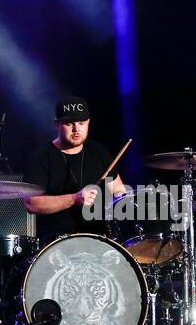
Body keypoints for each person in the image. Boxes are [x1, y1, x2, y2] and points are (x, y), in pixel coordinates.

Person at [22, 96, 127, 243]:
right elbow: (31, 203)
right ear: (57, 124)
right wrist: (74, 198)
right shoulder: (42, 157)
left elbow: (119, 191)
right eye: (69, 124)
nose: (76, 129)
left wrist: (120, 203)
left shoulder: (98, 152)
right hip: (57, 243)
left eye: (81, 123)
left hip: (99, 239)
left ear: (88, 123)